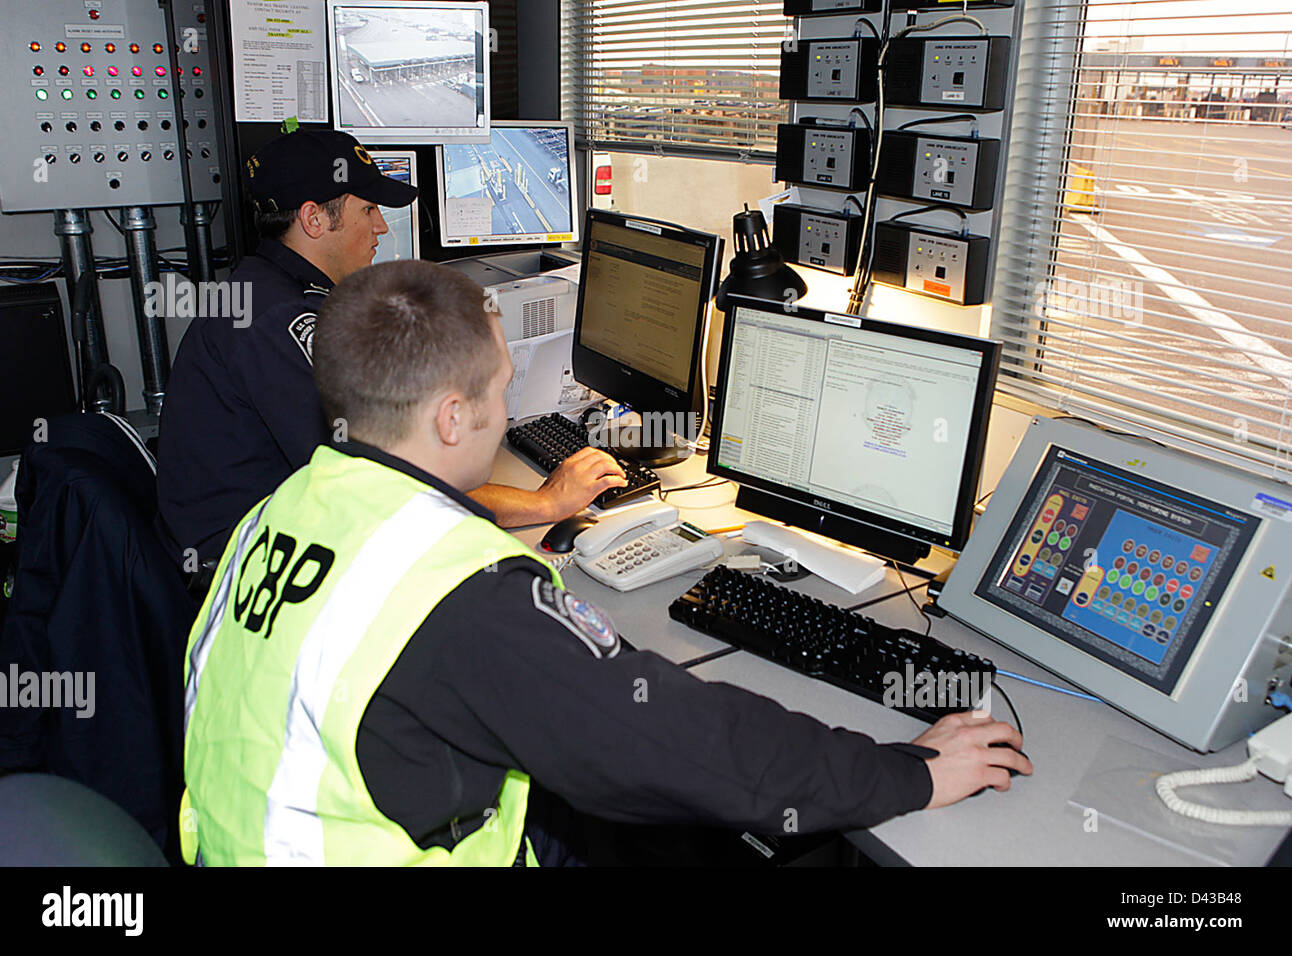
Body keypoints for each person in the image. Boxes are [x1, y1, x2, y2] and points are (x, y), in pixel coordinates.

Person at [180, 260, 1031, 867]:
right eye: (500, 387)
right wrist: (908, 773)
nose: (508, 405)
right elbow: (680, 742)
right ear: (449, 418)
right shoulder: (460, 594)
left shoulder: (281, 507)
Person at [156, 129, 623, 572]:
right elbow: (384, 491)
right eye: (367, 211)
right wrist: (548, 502)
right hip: (247, 567)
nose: (381, 226)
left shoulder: (268, 289)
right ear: (313, 219)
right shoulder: (279, 324)